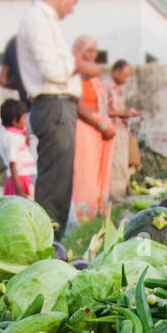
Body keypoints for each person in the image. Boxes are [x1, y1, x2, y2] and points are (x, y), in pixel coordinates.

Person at [16, 0, 101, 232]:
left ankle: (52, 241)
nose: (71, 9)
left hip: (58, 105)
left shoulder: (46, 20)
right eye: (73, 2)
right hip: (53, 104)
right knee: (54, 185)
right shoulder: (37, 19)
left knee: (60, 181)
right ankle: (47, 245)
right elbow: (52, 70)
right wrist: (80, 65)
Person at [69, 36, 114, 224]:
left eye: (94, 51)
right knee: (84, 174)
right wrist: (102, 125)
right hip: (86, 129)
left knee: (96, 173)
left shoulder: (92, 75)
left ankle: (95, 213)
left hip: (97, 131)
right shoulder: (76, 73)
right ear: (78, 51)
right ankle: (81, 217)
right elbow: (80, 107)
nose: (92, 55)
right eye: (87, 50)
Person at [106, 59, 141, 199]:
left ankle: (120, 194)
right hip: (112, 130)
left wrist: (128, 113)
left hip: (122, 128)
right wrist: (124, 113)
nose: (126, 79)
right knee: (115, 165)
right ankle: (115, 197)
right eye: (125, 75)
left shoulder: (120, 89)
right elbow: (104, 111)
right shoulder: (107, 87)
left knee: (122, 164)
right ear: (117, 72)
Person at [0, 98, 36, 197]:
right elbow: (12, 163)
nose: (25, 121)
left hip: (17, 178)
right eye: (24, 118)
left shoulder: (6, 133)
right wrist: (18, 187)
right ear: (14, 121)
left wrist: (25, 138)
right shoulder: (13, 138)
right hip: (21, 179)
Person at [0, 35, 29, 106]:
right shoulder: (46, 39)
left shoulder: (13, 42)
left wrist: (21, 85)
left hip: (26, 105)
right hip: (49, 103)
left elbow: (3, 81)